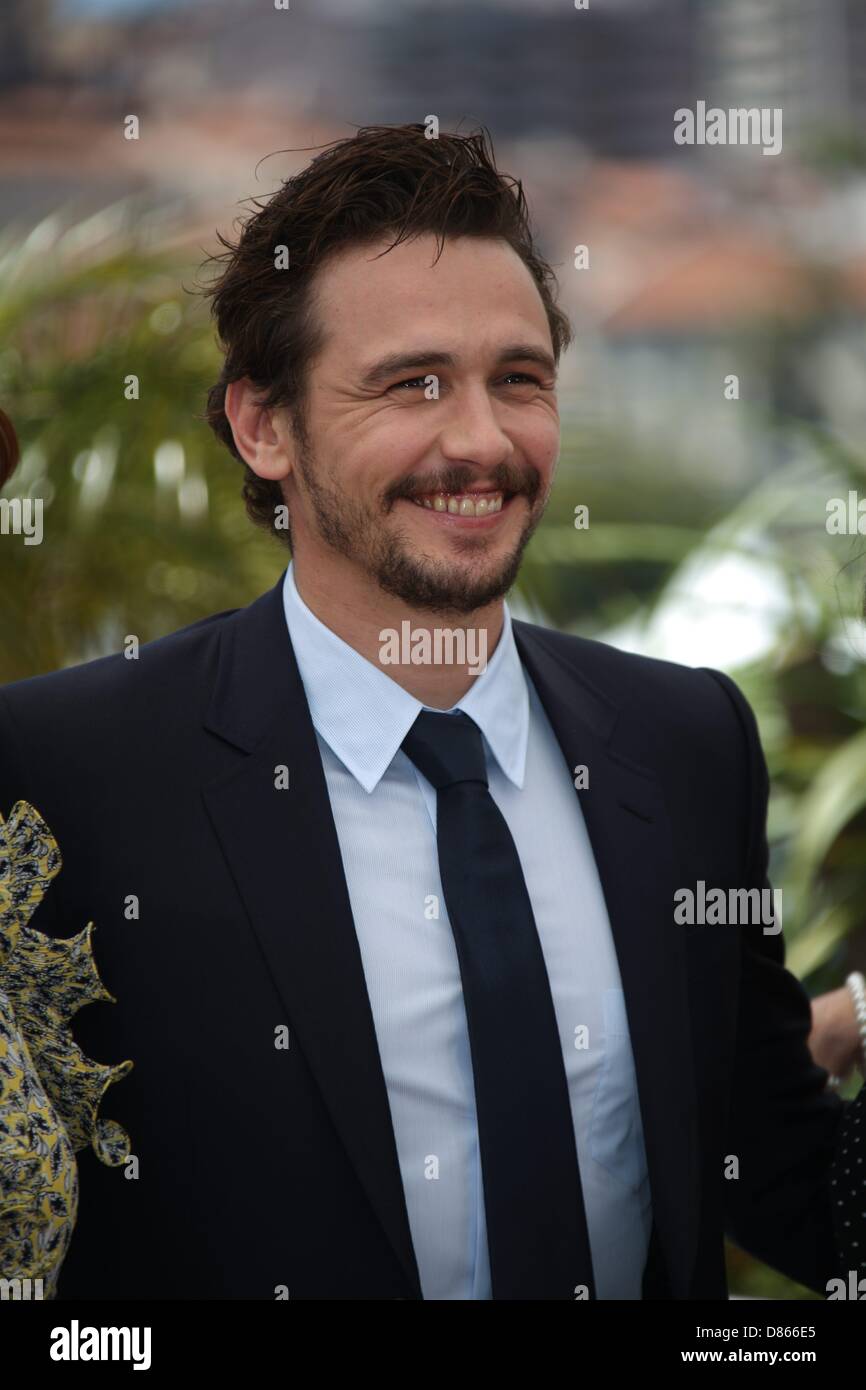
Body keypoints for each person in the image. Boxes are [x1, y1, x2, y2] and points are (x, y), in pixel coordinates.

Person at [0, 123, 851, 1300]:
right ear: (263, 427)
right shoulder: (60, 769)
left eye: (518, 379)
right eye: (412, 383)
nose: (481, 441)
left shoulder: (685, 740)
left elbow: (777, 1164)